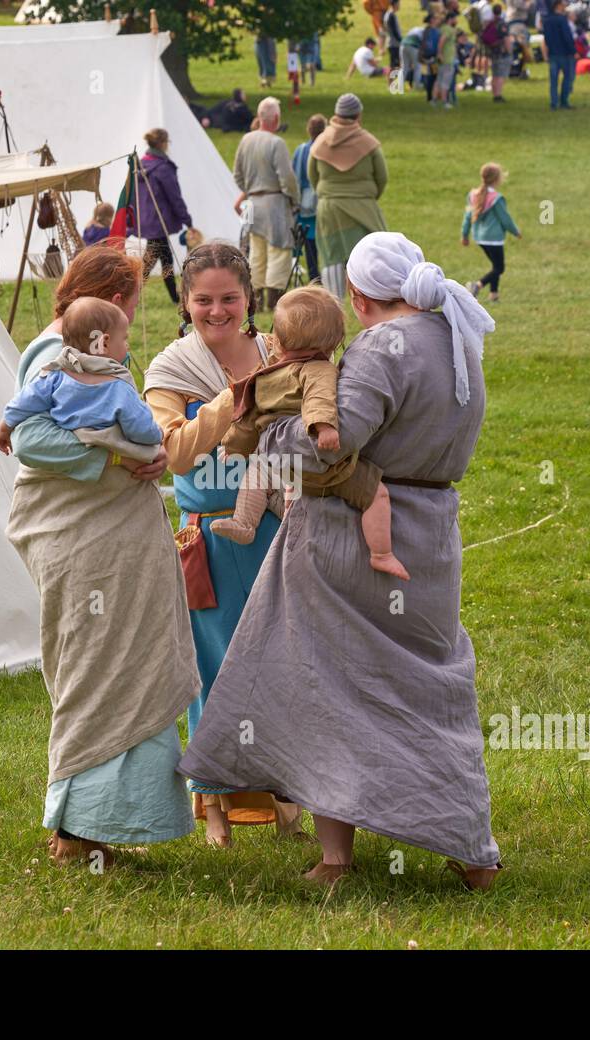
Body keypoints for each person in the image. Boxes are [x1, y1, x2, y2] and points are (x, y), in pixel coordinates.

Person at [178, 232, 502, 889]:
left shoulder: (383, 346)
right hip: (430, 533)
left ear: (356, 296)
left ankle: (336, 860)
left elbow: (333, 442)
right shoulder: (456, 336)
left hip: (345, 539)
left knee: (321, 685)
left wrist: (271, 430)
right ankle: (470, 851)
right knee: (429, 687)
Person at [4, 247, 197, 868]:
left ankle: (113, 821)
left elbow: (129, 426)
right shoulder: (55, 354)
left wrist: (156, 455)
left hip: (117, 537)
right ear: (111, 303)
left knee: (131, 662)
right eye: (131, 305)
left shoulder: (96, 351)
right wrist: (115, 460)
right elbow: (31, 440)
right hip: (81, 537)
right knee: (96, 669)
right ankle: (75, 832)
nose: (134, 316)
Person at [142, 242, 305, 846]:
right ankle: (212, 804)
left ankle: (284, 794)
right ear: (185, 303)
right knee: (213, 670)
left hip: (277, 526)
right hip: (208, 537)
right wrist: (235, 398)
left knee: (280, 662)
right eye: (204, 300)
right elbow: (172, 451)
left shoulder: (275, 351)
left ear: (249, 298)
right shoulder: (169, 370)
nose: (218, 311)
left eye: (229, 298)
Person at [212, 285, 409, 580]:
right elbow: (320, 398)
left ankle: (244, 522)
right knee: (376, 494)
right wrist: (324, 427)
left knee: (255, 474)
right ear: (334, 344)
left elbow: (249, 418)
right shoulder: (319, 369)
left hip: (278, 463)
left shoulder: (263, 377)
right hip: (324, 469)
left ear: (276, 342)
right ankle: (382, 553)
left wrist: (235, 447)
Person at [0, 298, 158, 460]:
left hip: (70, 457)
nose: (127, 345)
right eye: (124, 338)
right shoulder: (119, 388)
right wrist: (157, 435)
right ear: (105, 343)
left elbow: (24, 401)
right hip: (109, 462)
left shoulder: (54, 377)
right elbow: (141, 429)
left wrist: (4, 428)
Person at [309, 93, 389, 299]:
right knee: (371, 256)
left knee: (332, 257)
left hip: (329, 208)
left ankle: (334, 307)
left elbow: (312, 175)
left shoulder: (320, 142)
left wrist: (328, 195)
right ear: (358, 115)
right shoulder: (368, 143)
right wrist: (367, 197)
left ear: (336, 114)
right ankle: (376, 302)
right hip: (363, 207)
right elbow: (382, 177)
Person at [233, 98, 301, 313]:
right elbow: (287, 178)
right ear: (277, 118)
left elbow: (238, 175)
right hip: (274, 203)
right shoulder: (276, 143)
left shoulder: (246, 140)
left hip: (253, 203)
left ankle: (257, 300)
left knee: (257, 252)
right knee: (278, 252)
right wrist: (293, 199)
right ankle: (273, 302)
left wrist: (251, 189)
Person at [135, 128, 193, 305]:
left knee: (163, 256)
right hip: (158, 220)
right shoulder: (162, 168)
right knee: (152, 260)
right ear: (162, 144)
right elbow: (174, 196)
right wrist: (186, 218)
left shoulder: (141, 165)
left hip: (147, 218)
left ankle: (175, 297)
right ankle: (131, 291)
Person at [461, 162, 522, 302]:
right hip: (494, 239)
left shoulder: (473, 195)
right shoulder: (496, 199)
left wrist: (464, 235)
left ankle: (494, 294)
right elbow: (505, 219)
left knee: (495, 266)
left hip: (480, 238)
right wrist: (515, 231)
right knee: (499, 268)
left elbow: (467, 217)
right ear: (497, 179)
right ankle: (477, 285)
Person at [293, 113, 326, 284]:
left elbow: (295, 176)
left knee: (309, 239)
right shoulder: (326, 149)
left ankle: (314, 273)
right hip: (323, 198)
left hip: (304, 200)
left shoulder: (301, 150)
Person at [546, 0, 579, 109]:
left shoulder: (547, 19)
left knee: (553, 80)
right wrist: (573, 51)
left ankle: (554, 102)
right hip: (564, 53)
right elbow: (567, 37)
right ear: (558, 5)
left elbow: (546, 38)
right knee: (567, 77)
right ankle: (564, 101)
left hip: (552, 53)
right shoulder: (562, 20)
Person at [482, 4, 515, 101]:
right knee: (501, 75)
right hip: (502, 52)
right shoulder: (502, 24)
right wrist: (509, 51)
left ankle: (494, 93)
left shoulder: (491, 23)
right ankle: (498, 95)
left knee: (495, 74)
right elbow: (506, 39)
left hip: (493, 52)